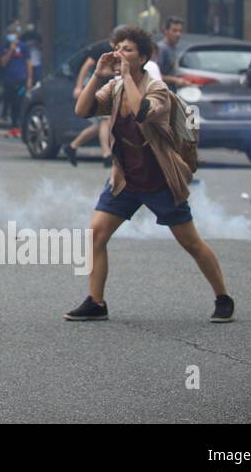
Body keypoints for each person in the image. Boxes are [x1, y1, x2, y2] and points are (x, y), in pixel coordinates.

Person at [65, 25, 234, 324]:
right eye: (117, 48)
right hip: (126, 179)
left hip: (160, 180)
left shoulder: (158, 90)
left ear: (143, 56)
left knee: (191, 243)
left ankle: (223, 297)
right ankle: (96, 301)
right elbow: (82, 110)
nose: (120, 53)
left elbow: (142, 111)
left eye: (127, 49)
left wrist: (128, 75)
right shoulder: (115, 88)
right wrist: (97, 75)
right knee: (95, 235)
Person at [65, 39, 114, 169]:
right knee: (105, 120)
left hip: (107, 88)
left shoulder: (120, 51)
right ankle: (106, 154)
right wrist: (79, 87)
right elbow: (87, 65)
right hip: (96, 86)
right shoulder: (103, 47)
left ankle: (72, 146)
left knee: (100, 125)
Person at [0, 28, 29, 137]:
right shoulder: (4, 47)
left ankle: (20, 127)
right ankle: (13, 127)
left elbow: (29, 62)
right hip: (9, 80)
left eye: (14, 34)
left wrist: (30, 79)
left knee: (19, 103)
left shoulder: (24, 47)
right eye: (10, 33)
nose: (12, 36)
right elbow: (3, 63)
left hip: (21, 80)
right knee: (11, 104)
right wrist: (10, 50)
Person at [157, 16, 189, 90]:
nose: (178, 34)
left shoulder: (175, 48)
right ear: (166, 31)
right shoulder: (162, 49)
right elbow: (155, 75)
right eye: (174, 31)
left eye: (180, 31)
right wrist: (175, 80)